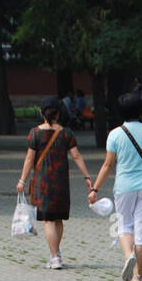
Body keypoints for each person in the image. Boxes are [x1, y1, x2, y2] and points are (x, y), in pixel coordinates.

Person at [90, 93, 142, 281]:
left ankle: (128, 255)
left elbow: (107, 165)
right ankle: (138, 274)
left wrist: (95, 189)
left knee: (124, 225)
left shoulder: (115, 134)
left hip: (124, 186)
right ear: (140, 110)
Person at [16, 96, 94, 270]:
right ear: (59, 113)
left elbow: (30, 159)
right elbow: (76, 156)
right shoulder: (66, 133)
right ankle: (57, 252)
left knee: (49, 220)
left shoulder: (35, 133)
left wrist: (22, 180)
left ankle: (54, 257)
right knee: (58, 219)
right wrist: (87, 177)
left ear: (42, 112)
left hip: (43, 182)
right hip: (61, 182)